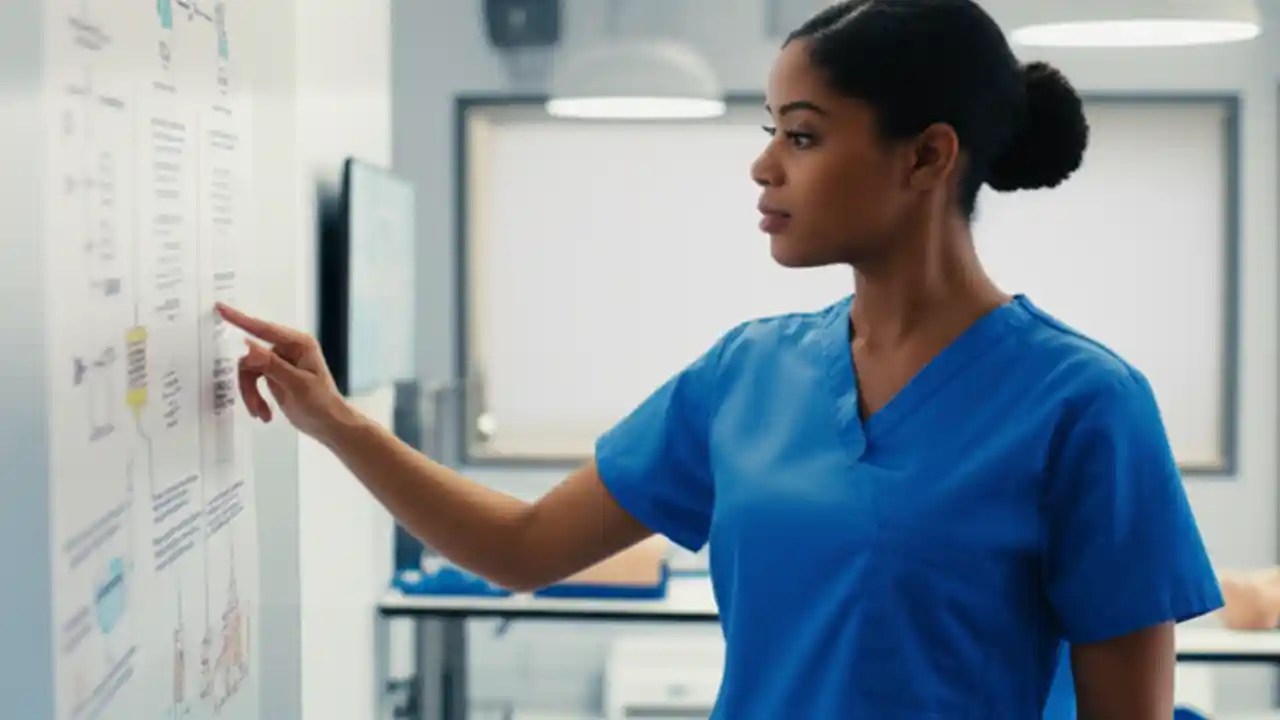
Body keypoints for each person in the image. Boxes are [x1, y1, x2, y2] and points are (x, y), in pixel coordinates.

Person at [218, 0, 1224, 717]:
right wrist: (335, 419)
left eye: (801, 135)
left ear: (926, 157)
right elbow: (519, 549)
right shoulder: (747, 376)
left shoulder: (1083, 406)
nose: (762, 164)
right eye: (768, 131)